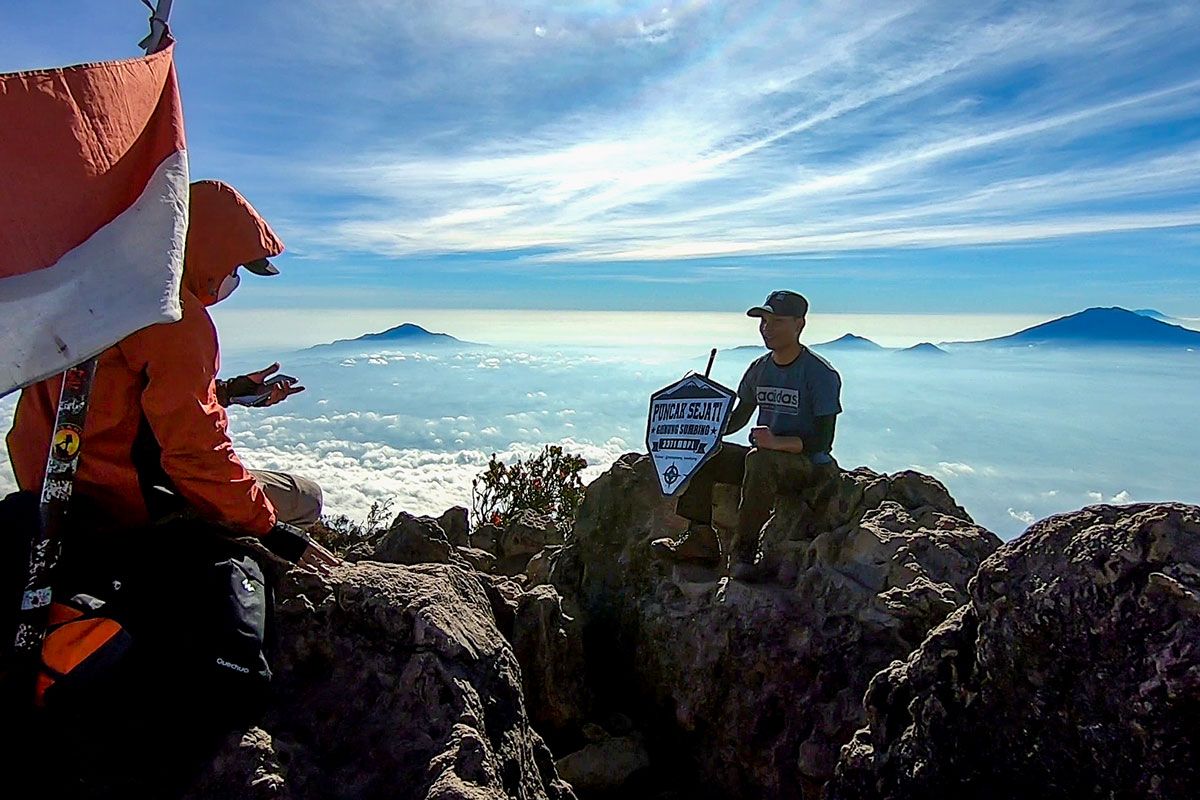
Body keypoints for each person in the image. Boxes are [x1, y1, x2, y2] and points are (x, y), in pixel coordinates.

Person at [6, 179, 333, 570]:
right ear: (209, 252)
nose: (234, 280)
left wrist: (228, 392)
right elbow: (195, 456)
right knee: (306, 497)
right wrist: (272, 530)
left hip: (54, 489)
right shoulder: (176, 318)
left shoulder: (93, 291)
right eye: (235, 267)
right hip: (125, 503)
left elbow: (120, 400)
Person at [651, 290, 842, 581]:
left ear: (799, 325)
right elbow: (738, 419)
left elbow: (823, 441)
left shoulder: (819, 374)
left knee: (760, 460)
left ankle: (744, 552)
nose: (767, 328)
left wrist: (777, 444)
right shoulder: (759, 369)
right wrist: (701, 419)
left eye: (777, 321)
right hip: (764, 460)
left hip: (808, 469)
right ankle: (700, 538)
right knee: (708, 453)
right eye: (764, 321)